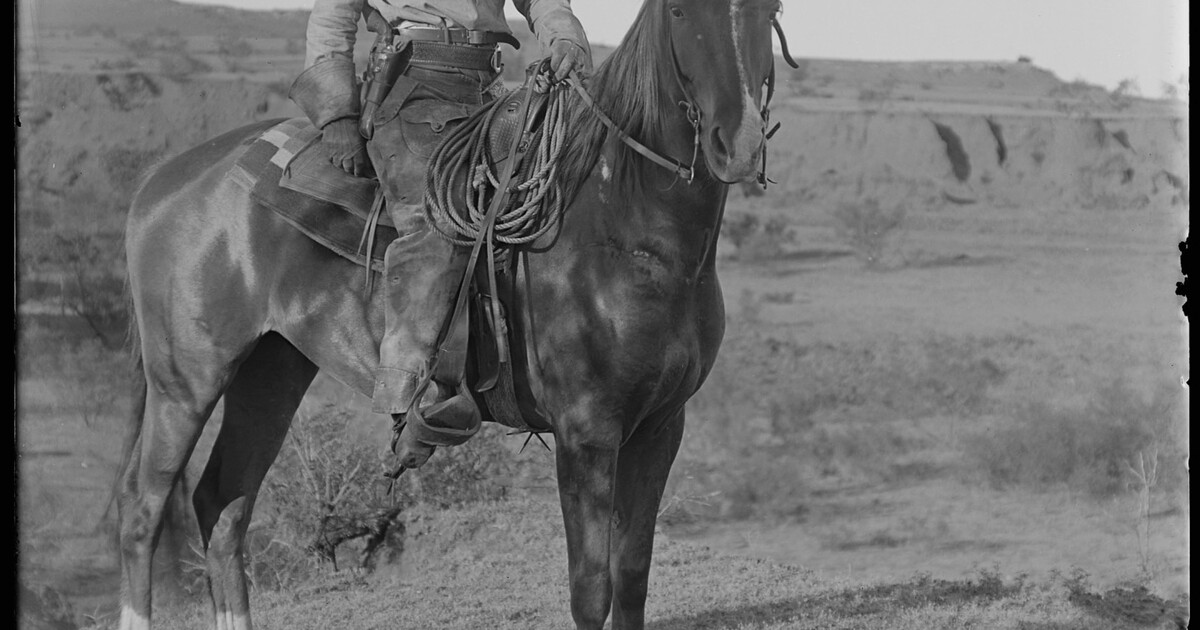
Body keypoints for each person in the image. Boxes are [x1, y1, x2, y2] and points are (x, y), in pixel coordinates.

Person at [290, 0, 592, 468]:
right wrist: (337, 115)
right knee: (439, 226)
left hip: (489, 89)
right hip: (412, 91)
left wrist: (565, 35)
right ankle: (414, 394)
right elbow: (334, 12)